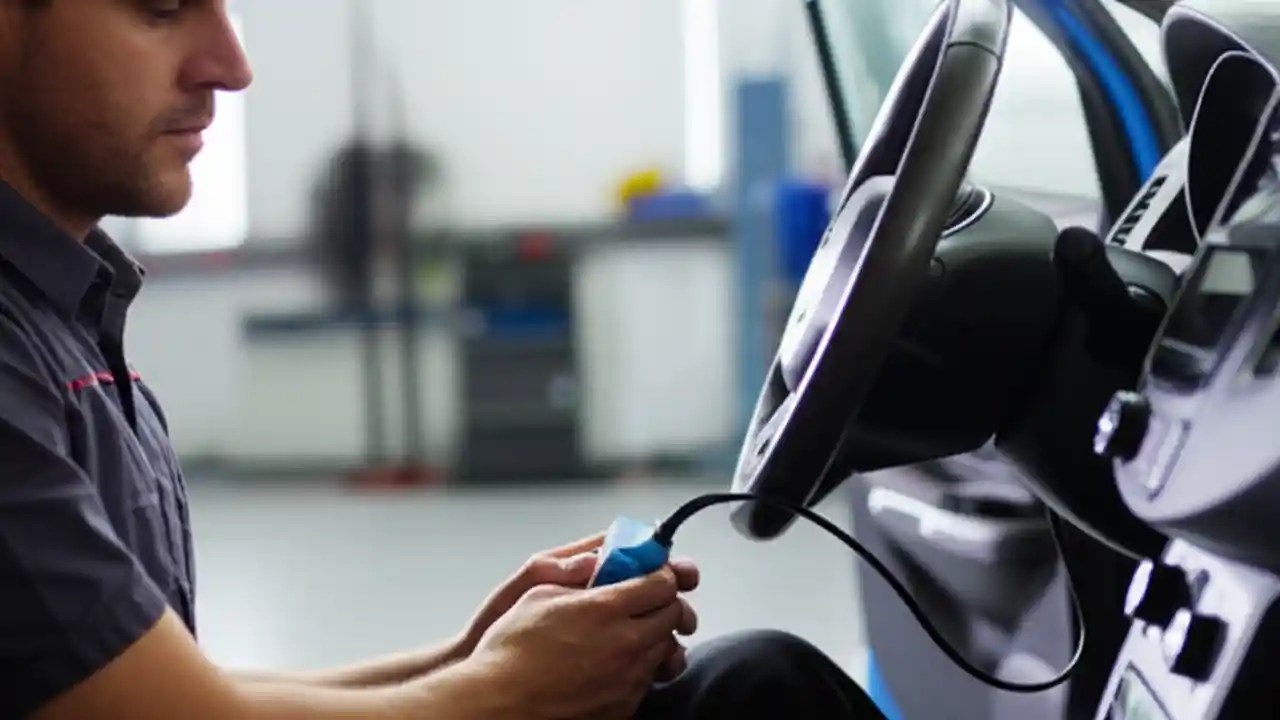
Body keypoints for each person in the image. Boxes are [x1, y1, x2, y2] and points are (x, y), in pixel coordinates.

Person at [0, 2, 885, 718]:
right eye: (162, 9)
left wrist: (472, 655)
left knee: (754, 684)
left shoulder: (65, 315)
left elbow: (173, 693)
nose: (231, 65)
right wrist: (502, 689)